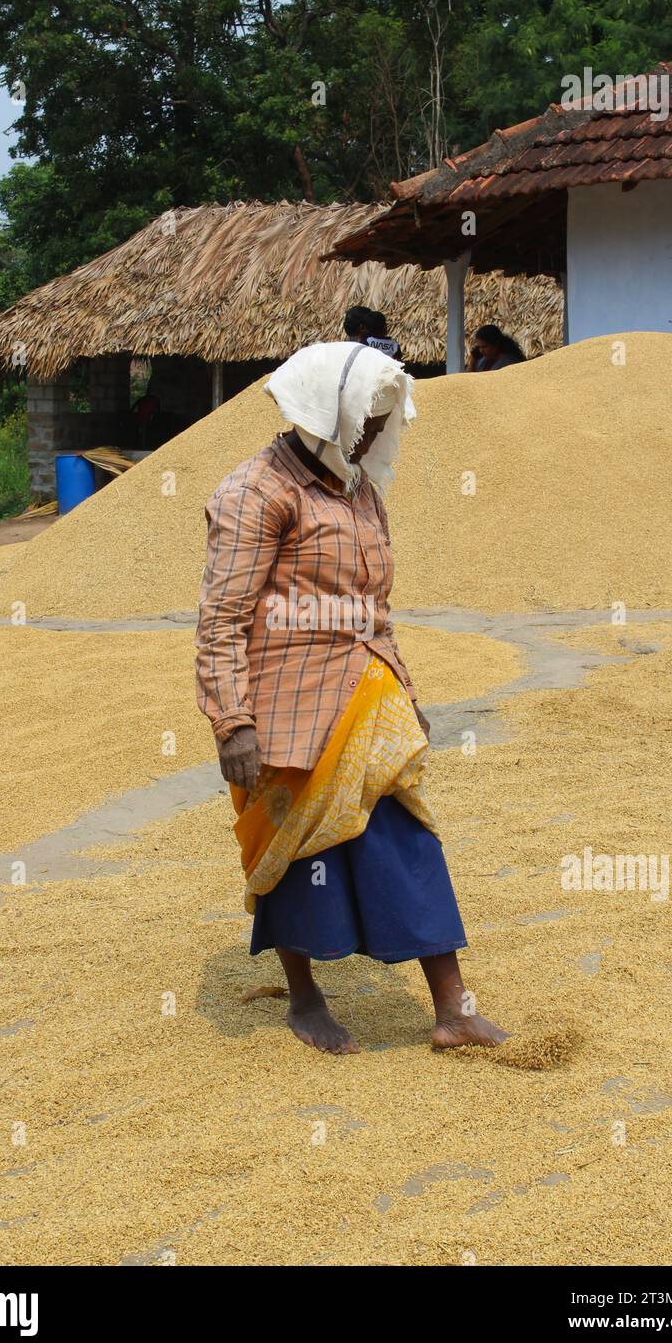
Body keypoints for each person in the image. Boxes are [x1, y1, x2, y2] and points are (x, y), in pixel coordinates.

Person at [196, 340, 508, 1056]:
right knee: (293, 851)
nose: (374, 433)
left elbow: (377, 610)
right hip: (288, 708)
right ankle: (304, 999)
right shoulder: (255, 492)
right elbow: (222, 617)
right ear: (325, 410)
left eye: (382, 419)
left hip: (370, 703)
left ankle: (453, 1009)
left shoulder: (361, 492)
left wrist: (405, 690)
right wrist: (231, 722)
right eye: (365, 417)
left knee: (409, 845)